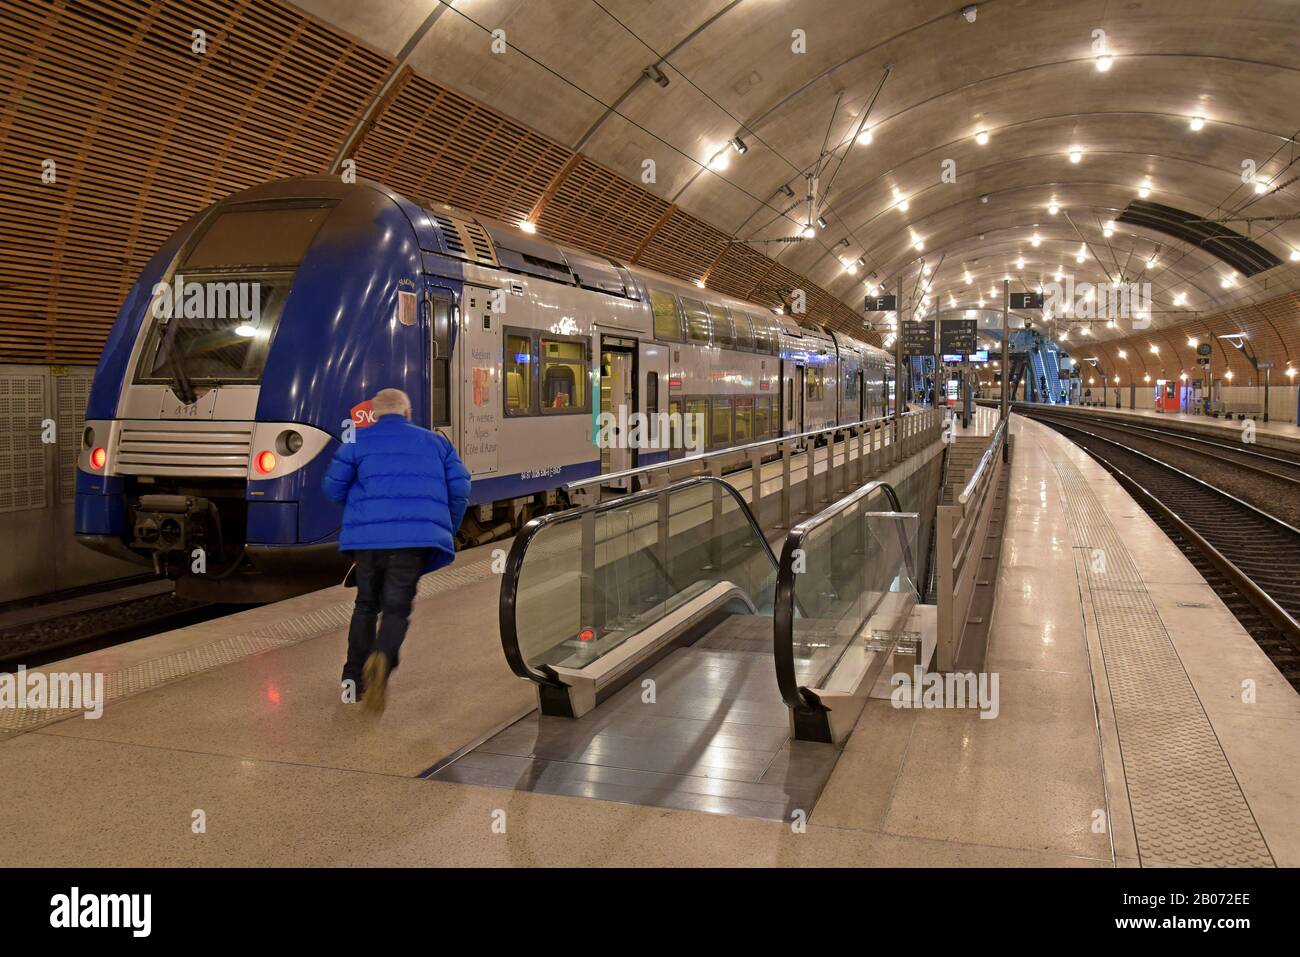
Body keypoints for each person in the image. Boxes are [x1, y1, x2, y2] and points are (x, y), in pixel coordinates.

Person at [322, 388, 471, 713]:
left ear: (374, 415)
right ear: (407, 413)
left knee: (365, 606)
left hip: (367, 542)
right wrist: (448, 527)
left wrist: (363, 506)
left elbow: (333, 488)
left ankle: (353, 680)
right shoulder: (436, 442)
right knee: (396, 609)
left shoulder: (357, 441)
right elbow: (461, 488)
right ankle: (383, 659)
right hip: (413, 541)